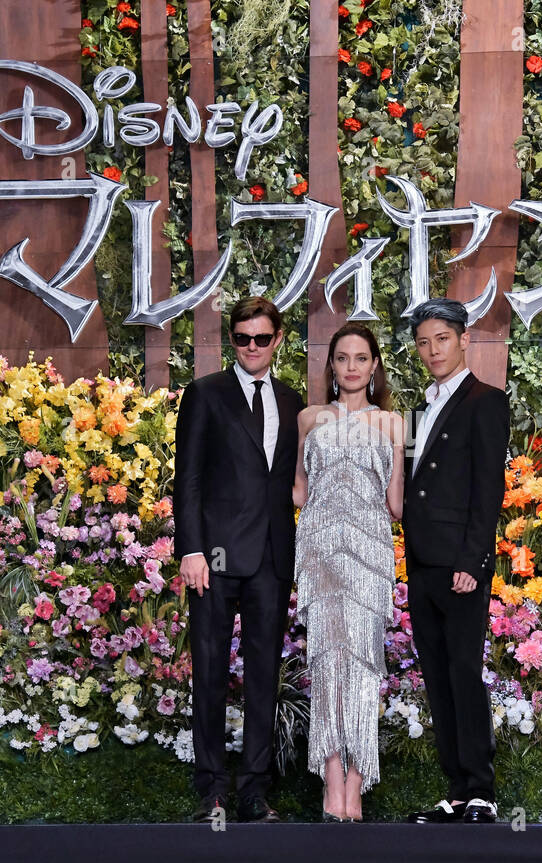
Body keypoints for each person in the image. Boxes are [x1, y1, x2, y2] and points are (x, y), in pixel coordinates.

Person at [173, 296, 303, 823]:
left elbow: (295, 482)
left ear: (278, 340)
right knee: (208, 672)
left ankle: (252, 790)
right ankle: (211, 790)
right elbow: (190, 479)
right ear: (232, 341)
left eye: (262, 338)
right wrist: (192, 549)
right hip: (216, 557)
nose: (253, 347)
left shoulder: (294, 403)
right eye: (243, 338)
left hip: (271, 559)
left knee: (263, 679)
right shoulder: (205, 394)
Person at [400, 298, 510, 824]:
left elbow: (488, 488)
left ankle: (482, 788)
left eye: (441, 338)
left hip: (460, 565)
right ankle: (456, 787)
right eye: (423, 341)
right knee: (437, 675)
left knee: (464, 671)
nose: (432, 349)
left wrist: (473, 559)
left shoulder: (485, 400)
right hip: (422, 564)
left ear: (464, 339)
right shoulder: (419, 407)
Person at [293, 323, 404, 822]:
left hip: (369, 558)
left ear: (374, 365)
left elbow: (397, 504)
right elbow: (298, 491)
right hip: (318, 554)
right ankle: (330, 778)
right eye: (343, 358)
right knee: (327, 667)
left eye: (362, 358)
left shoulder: (392, 423)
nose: (353, 366)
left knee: (361, 667)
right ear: (332, 365)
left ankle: (355, 783)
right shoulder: (308, 419)